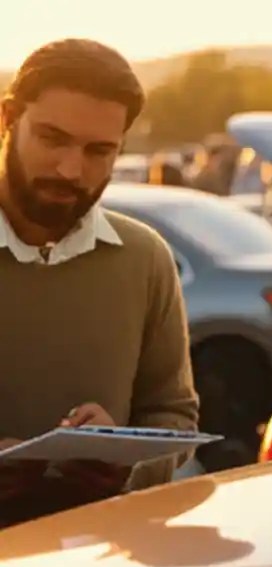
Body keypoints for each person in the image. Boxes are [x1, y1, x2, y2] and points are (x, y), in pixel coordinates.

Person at [0, 39, 199, 530]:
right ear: (7, 119)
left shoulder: (145, 258)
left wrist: (127, 461)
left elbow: (173, 416)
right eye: (52, 138)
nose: (71, 170)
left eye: (98, 151)